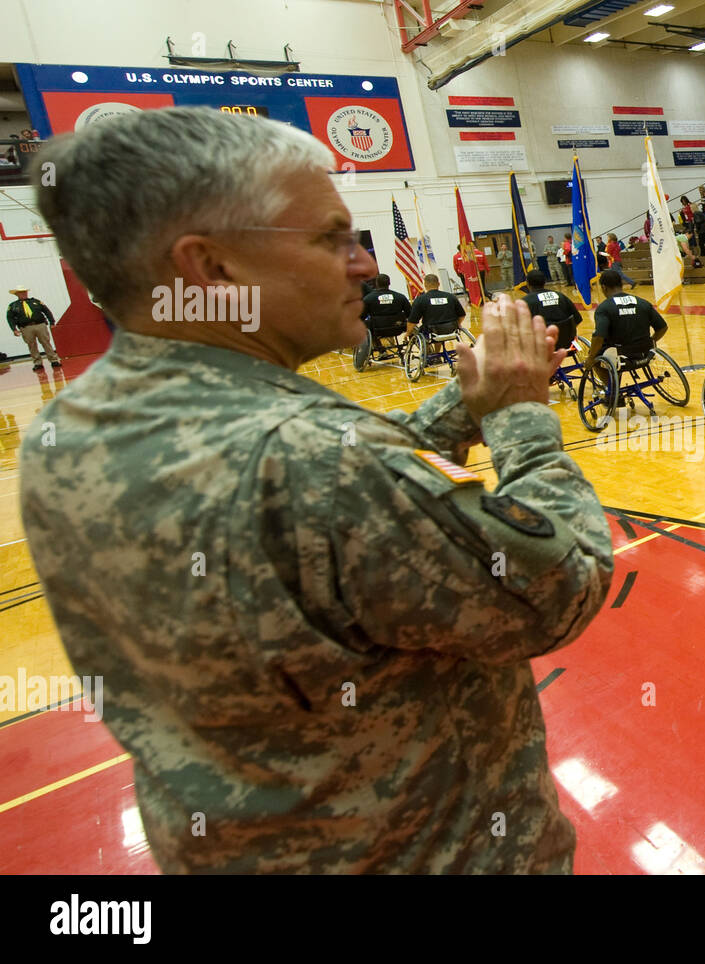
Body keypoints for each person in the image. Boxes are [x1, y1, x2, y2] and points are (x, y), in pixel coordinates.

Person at [20, 106, 613, 874]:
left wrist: (459, 406)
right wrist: (522, 418)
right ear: (213, 270)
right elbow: (563, 586)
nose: (364, 264)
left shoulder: (73, 429)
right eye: (329, 238)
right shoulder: (321, 462)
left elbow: (331, 512)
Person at [585, 268, 667, 375]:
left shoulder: (604, 308)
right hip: (644, 353)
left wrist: (591, 358)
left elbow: (599, 337)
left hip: (619, 355)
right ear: (621, 284)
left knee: (594, 355)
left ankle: (612, 388)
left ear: (603, 287)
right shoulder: (643, 303)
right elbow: (663, 327)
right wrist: (651, 341)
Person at [522, 269, 584, 356]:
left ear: (527, 284)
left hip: (542, 347)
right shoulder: (561, 296)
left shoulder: (525, 302)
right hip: (568, 345)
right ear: (545, 282)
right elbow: (578, 319)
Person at [6, 285, 61, 371]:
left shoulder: (36, 302)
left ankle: (54, 360)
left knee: (46, 342)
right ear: (17, 294)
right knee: (31, 345)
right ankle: (37, 363)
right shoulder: (13, 306)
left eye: (24, 292)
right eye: (21, 292)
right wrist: (14, 329)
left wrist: (52, 322)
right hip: (26, 328)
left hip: (40, 325)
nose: (24, 294)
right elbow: (10, 318)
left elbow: (47, 311)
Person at [407, 273, 465, 341]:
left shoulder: (420, 300)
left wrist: (407, 334)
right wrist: (457, 324)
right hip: (451, 328)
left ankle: (429, 350)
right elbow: (462, 315)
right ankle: (437, 349)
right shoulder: (451, 296)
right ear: (439, 284)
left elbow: (412, 322)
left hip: (431, 331)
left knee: (419, 331)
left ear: (425, 285)